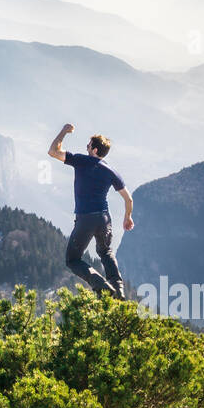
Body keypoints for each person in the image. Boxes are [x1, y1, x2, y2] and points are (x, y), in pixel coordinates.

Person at [47, 123, 134, 299]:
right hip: (104, 218)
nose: (86, 148)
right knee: (105, 251)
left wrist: (64, 131)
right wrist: (127, 217)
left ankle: (102, 286)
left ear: (94, 150)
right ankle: (119, 293)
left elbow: (53, 151)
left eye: (88, 145)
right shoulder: (111, 171)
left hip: (85, 219)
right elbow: (128, 198)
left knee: (72, 260)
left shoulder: (81, 161)